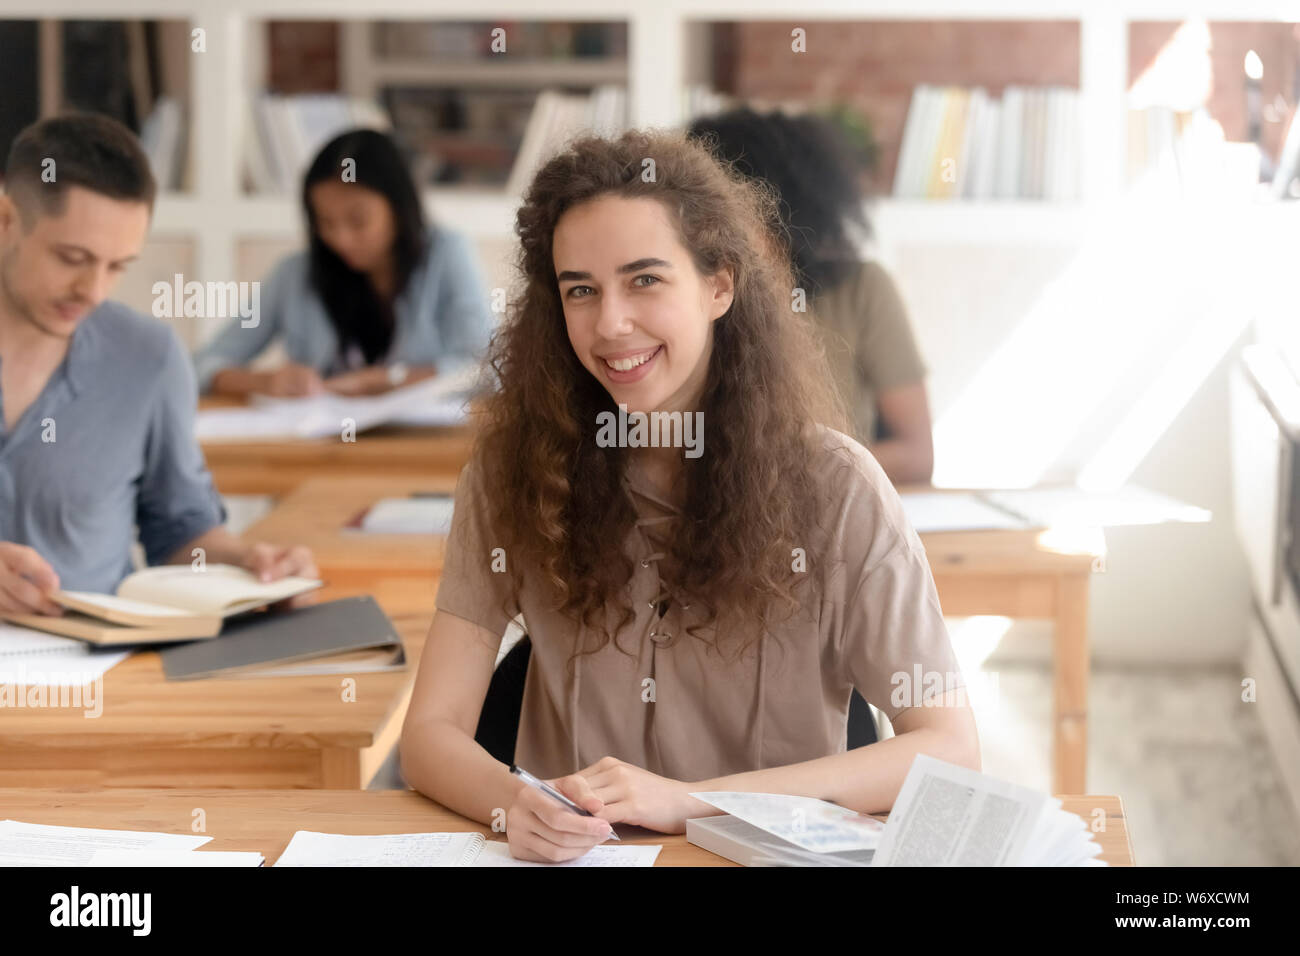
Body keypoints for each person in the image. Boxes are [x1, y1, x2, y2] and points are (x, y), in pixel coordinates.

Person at [399, 129, 978, 862]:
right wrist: (515, 802)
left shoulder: (838, 489)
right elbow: (429, 735)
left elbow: (950, 749)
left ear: (718, 286)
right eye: (581, 289)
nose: (610, 323)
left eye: (644, 280)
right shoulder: (512, 472)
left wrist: (693, 802)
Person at [0, 113, 316, 613]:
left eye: (117, 266)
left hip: (99, 678)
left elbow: (179, 529)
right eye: (72, 258)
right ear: (6, 220)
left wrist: (252, 566)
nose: (93, 290)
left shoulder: (149, 359)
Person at [687, 107, 935, 485]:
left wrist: (794, 465)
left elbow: (916, 455)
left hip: (834, 507)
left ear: (775, 208)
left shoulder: (863, 288)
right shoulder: (688, 296)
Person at [194, 128, 492, 398]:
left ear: (398, 208)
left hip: (420, 449)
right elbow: (202, 365)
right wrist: (265, 382)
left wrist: (389, 379)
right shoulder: (294, 274)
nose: (342, 239)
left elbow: (486, 369)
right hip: (322, 450)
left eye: (358, 220)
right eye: (326, 222)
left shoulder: (447, 254)